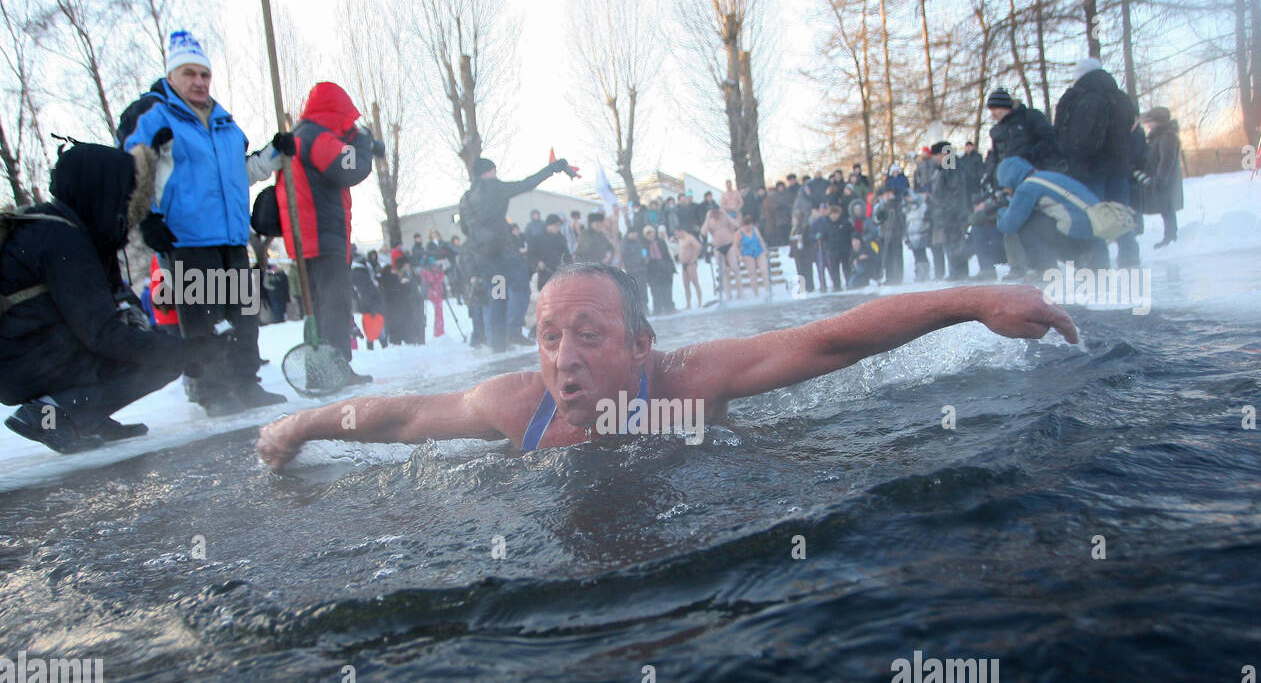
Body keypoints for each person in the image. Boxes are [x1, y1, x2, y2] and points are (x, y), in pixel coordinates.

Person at [257, 262, 1078, 467]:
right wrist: (303, 424)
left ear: (640, 344)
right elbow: (401, 416)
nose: (562, 359)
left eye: (588, 334)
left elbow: (832, 339)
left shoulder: (687, 379)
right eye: (548, 337)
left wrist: (973, 301)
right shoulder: (520, 407)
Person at [1, 143, 222, 452]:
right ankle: (48, 416)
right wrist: (185, 351)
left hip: (25, 357)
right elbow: (103, 334)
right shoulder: (63, 239)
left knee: (153, 351)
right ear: (99, 191)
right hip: (25, 364)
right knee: (157, 363)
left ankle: (84, 419)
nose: (124, 205)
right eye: (121, 195)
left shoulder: (61, 227)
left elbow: (116, 305)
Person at [119, 30, 287, 415]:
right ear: (173, 76)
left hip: (230, 235)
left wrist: (276, 152)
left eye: (204, 75)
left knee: (243, 315)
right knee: (203, 319)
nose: (198, 82)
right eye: (189, 73)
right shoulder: (153, 113)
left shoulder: (226, 124)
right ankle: (211, 390)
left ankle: (246, 383)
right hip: (186, 238)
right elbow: (132, 167)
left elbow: (238, 173)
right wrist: (147, 219)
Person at [275, 81, 377, 385]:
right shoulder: (315, 136)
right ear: (334, 111)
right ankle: (334, 370)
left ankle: (319, 373)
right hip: (323, 234)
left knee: (320, 306)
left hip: (307, 235)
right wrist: (364, 144)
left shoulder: (300, 136)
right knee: (334, 303)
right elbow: (351, 168)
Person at [458, 154, 575, 351]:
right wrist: (553, 168)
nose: (496, 175)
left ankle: (497, 343)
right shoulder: (494, 188)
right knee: (521, 285)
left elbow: (464, 228)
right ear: (488, 172)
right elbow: (527, 183)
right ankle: (513, 330)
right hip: (500, 251)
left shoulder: (466, 199)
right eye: (494, 171)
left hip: (483, 255)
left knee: (497, 294)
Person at [1054, 58, 1138, 267]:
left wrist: (1070, 159)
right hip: (1118, 166)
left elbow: (1071, 135)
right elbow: (1132, 131)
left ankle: (1097, 261)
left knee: (1093, 214)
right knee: (1120, 212)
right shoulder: (1121, 98)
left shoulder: (1078, 97)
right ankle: (1130, 255)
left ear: (1080, 75)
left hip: (1089, 167)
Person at [993, 157, 1109, 277]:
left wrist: (1001, 210)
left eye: (1004, 185)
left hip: (1076, 233)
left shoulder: (1027, 187)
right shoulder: (1047, 176)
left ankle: (1045, 270)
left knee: (1027, 223)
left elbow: (1009, 225)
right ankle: (1090, 259)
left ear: (1009, 178)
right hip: (1097, 232)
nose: (1006, 189)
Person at [982, 87, 1064, 185]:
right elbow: (995, 156)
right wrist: (990, 175)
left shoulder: (1030, 117)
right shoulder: (996, 130)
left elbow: (1049, 139)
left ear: (1005, 106)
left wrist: (1031, 155)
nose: (993, 114)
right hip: (1010, 181)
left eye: (995, 109)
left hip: (1035, 174)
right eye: (991, 110)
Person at [1138, 107, 1183, 248]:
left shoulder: (1167, 136)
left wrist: (1161, 179)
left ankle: (1170, 237)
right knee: (1165, 208)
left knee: (1167, 208)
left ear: (1158, 122)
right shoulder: (1159, 136)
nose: (1148, 125)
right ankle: (1169, 237)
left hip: (1165, 179)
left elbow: (1167, 160)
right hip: (1160, 178)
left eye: (1150, 122)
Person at [928, 141, 972, 281]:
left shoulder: (952, 166)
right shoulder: (946, 167)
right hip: (949, 211)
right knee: (951, 241)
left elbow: (955, 191)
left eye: (937, 156)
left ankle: (958, 272)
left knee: (955, 241)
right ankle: (956, 271)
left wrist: (949, 210)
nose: (936, 159)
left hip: (954, 212)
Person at [702, 206, 740, 302]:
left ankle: (740, 292)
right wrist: (707, 218)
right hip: (718, 248)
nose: (716, 215)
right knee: (723, 272)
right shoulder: (709, 221)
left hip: (729, 245)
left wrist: (726, 214)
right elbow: (703, 232)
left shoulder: (724, 218)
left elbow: (736, 225)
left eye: (717, 213)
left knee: (735, 268)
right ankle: (728, 295)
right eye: (713, 213)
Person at [643, 225, 676, 315]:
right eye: (648, 233)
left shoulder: (661, 242)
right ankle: (658, 309)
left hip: (663, 268)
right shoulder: (644, 245)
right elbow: (644, 259)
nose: (651, 235)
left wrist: (670, 267)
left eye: (652, 232)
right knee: (656, 292)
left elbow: (667, 255)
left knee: (667, 290)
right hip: (653, 271)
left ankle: (669, 307)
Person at [736, 215, 770, 299]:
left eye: (749, 225)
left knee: (764, 270)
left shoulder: (755, 229)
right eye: (746, 226)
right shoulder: (739, 233)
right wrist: (740, 256)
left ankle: (768, 290)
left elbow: (760, 239)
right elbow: (736, 246)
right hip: (747, 253)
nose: (748, 227)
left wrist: (765, 250)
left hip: (758, 251)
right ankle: (756, 293)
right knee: (752, 274)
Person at [904, 192, 931, 282]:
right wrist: (906, 237)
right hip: (911, 235)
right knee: (916, 255)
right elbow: (906, 224)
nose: (908, 199)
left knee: (922, 254)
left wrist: (924, 229)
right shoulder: (906, 209)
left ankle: (925, 273)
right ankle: (919, 273)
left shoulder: (921, 206)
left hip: (921, 233)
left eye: (909, 197)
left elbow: (925, 218)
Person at [675, 228, 702, 310]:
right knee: (686, 285)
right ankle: (688, 304)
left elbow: (698, 246)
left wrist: (694, 258)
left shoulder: (689, 238)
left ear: (682, 231)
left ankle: (700, 302)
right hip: (684, 264)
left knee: (695, 283)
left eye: (677, 234)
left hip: (691, 264)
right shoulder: (680, 240)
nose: (677, 236)